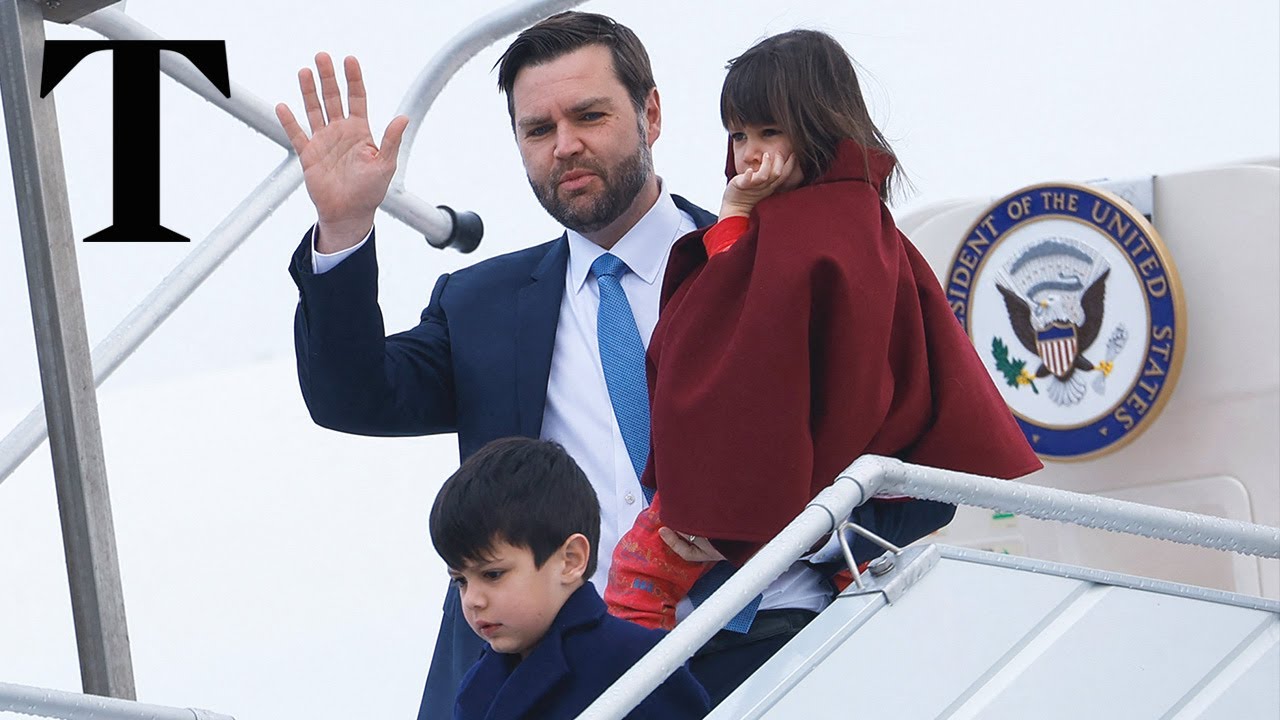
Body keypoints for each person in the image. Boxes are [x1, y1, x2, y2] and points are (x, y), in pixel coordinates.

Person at [276, 11, 967, 716]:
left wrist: (788, 533)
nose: (565, 145)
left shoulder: (794, 263)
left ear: (651, 114)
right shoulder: (479, 305)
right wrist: (344, 226)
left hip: (784, 660)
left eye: (589, 115)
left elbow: (926, 471)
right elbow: (350, 396)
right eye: (537, 130)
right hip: (566, 685)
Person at [605, 29, 1042, 647]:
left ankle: (635, 678)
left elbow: (726, 339)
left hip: (784, 483)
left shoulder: (802, 235)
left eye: (769, 132)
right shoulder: (858, 223)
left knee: (637, 580)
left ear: (817, 127)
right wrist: (740, 215)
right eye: (738, 136)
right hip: (854, 491)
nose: (750, 154)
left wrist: (734, 218)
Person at [429, 437, 709, 719]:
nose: (473, 600)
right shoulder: (477, 684)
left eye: (493, 574)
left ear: (571, 560)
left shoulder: (638, 662)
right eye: (461, 581)